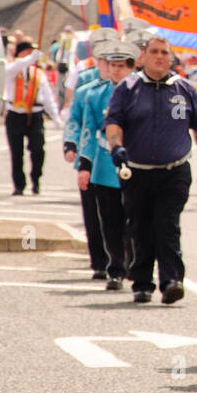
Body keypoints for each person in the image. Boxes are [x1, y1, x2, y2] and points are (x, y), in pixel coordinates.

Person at [104, 35, 197, 304]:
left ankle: (172, 281)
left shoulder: (185, 88)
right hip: (136, 171)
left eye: (164, 52)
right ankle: (142, 283)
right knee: (140, 227)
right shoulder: (128, 87)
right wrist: (116, 147)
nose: (159, 56)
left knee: (167, 224)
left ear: (171, 57)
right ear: (144, 56)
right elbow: (114, 122)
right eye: (154, 51)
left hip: (174, 171)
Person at [77, 41, 135, 291]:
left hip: (136, 164)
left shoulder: (141, 92)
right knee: (110, 222)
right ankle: (116, 269)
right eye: (112, 65)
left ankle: (136, 264)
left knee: (135, 221)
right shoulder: (95, 94)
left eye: (122, 66)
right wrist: (85, 164)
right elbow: (88, 131)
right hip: (104, 165)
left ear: (132, 68)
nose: (116, 70)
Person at [63, 30, 118, 280]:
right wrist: (71, 144)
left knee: (118, 213)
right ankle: (99, 260)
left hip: (116, 157)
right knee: (93, 213)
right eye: (103, 57)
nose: (107, 64)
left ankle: (121, 258)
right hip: (91, 154)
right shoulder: (86, 85)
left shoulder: (127, 84)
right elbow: (76, 120)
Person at [4, 41, 63, 195]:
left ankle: (36, 179)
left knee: (38, 150)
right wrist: (27, 60)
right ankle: (19, 185)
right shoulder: (12, 68)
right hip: (15, 115)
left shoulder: (38, 74)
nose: (30, 55)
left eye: (32, 53)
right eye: (27, 52)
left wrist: (55, 117)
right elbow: (12, 69)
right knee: (16, 153)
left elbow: (48, 97)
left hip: (35, 115)